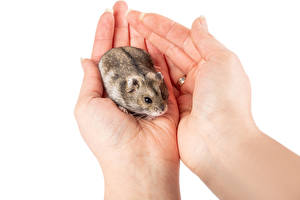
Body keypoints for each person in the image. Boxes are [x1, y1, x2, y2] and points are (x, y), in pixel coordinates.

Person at [74, 1, 300, 199]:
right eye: (148, 100)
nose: (161, 107)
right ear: (132, 91)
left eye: (161, 96)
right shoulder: (123, 88)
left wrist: (224, 134)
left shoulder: (153, 79)